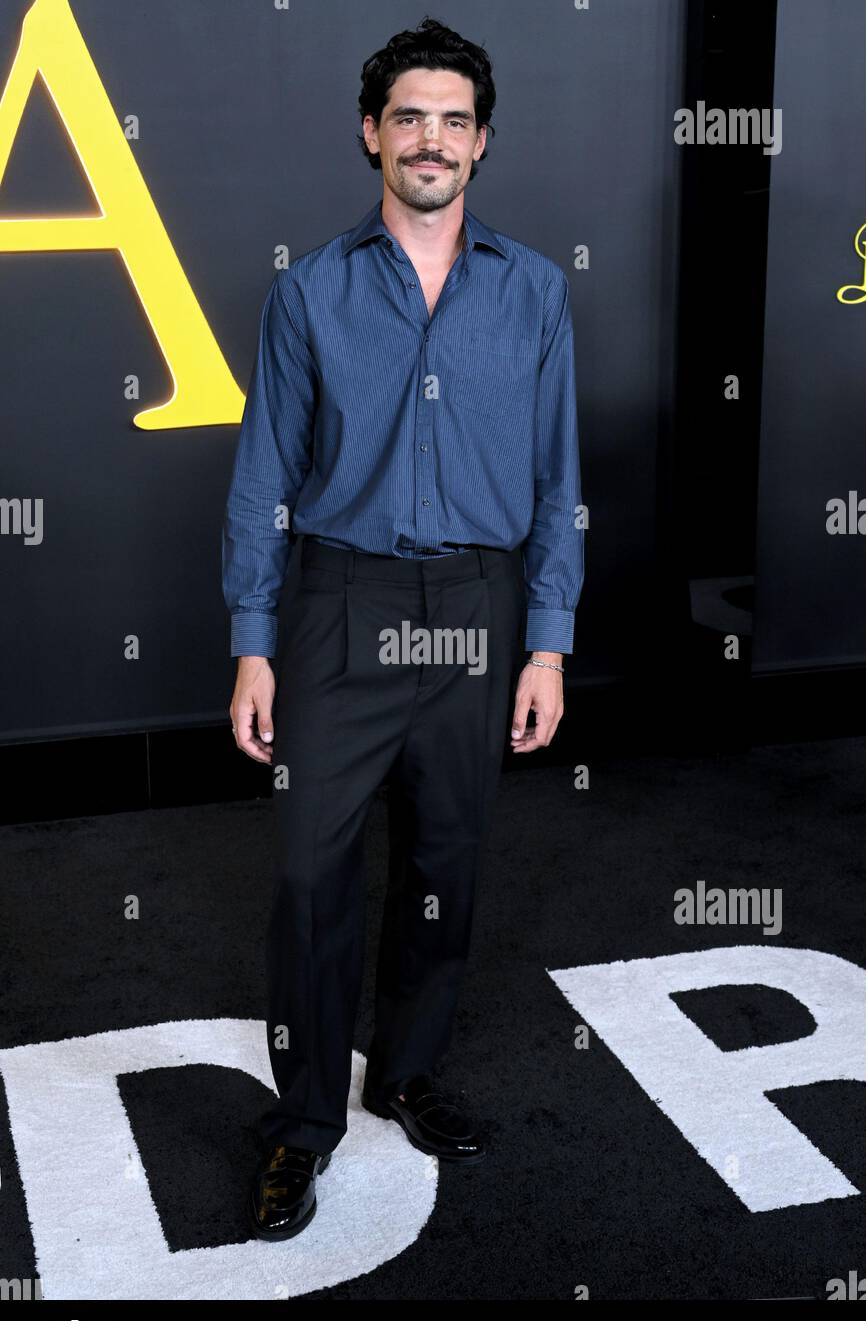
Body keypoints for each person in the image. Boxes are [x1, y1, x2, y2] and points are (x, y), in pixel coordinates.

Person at [222, 16, 584, 1241]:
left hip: (480, 611)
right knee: (312, 875)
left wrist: (546, 641)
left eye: (454, 119)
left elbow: (553, 480)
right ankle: (303, 1126)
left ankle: (413, 1073)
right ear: (370, 133)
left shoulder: (531, 290)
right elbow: (263, 471)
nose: (431, 139)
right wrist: (252, 639)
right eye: (408, 117)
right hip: (341, 604)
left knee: (445, 860)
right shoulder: (308, 291)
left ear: (481, 144)